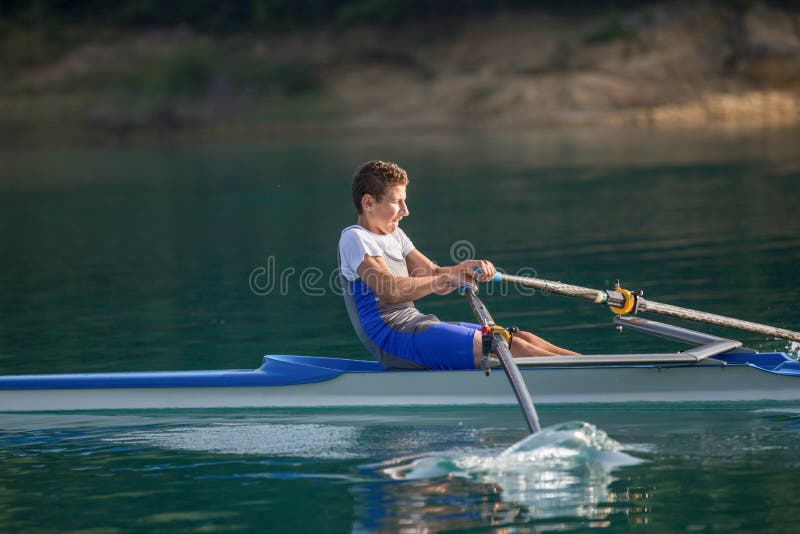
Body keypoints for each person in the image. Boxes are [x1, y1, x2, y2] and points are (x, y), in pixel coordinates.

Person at [338, 160, 577, 370]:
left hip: (416, 324)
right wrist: (448, 278)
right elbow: (391, 290)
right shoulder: (355, 238)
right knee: (497, 344)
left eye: (405, 201)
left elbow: (433, 275)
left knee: (518, 338)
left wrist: (462, 269)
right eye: (397, 202)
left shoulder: (395, 234)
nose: (405, 211)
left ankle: (597, 364)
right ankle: (592, 375)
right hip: (391, 337)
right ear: (368, 203)